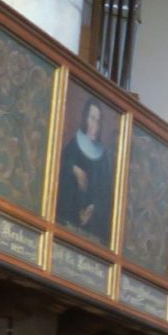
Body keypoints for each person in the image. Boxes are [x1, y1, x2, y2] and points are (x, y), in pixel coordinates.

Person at [56, 98, 115, 241]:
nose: (95, 124)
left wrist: (93, 209)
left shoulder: (104, 157)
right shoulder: (75, 144)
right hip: (69, 217)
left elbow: (106, 192)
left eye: (98, 120)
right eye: (92, 118)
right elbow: (60, 166)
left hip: (91, 224)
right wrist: (73, 169)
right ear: (85, 118)